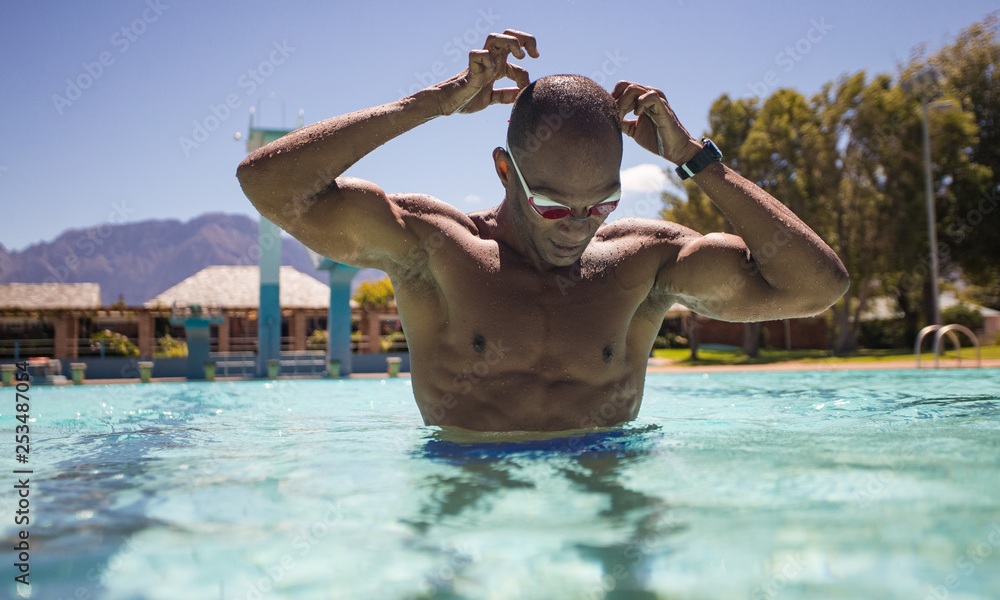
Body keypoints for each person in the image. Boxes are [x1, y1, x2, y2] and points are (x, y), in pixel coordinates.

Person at [236, 29, 849, 433]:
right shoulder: (434, 249)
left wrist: (695, 160)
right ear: (507, 172)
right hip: (468, 473)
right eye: (555, 206)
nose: (578, 227)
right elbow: (268, 184)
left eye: (601, 204)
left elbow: (815, 288)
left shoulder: (646, 264)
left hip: (603, 473)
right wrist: (428, 105)